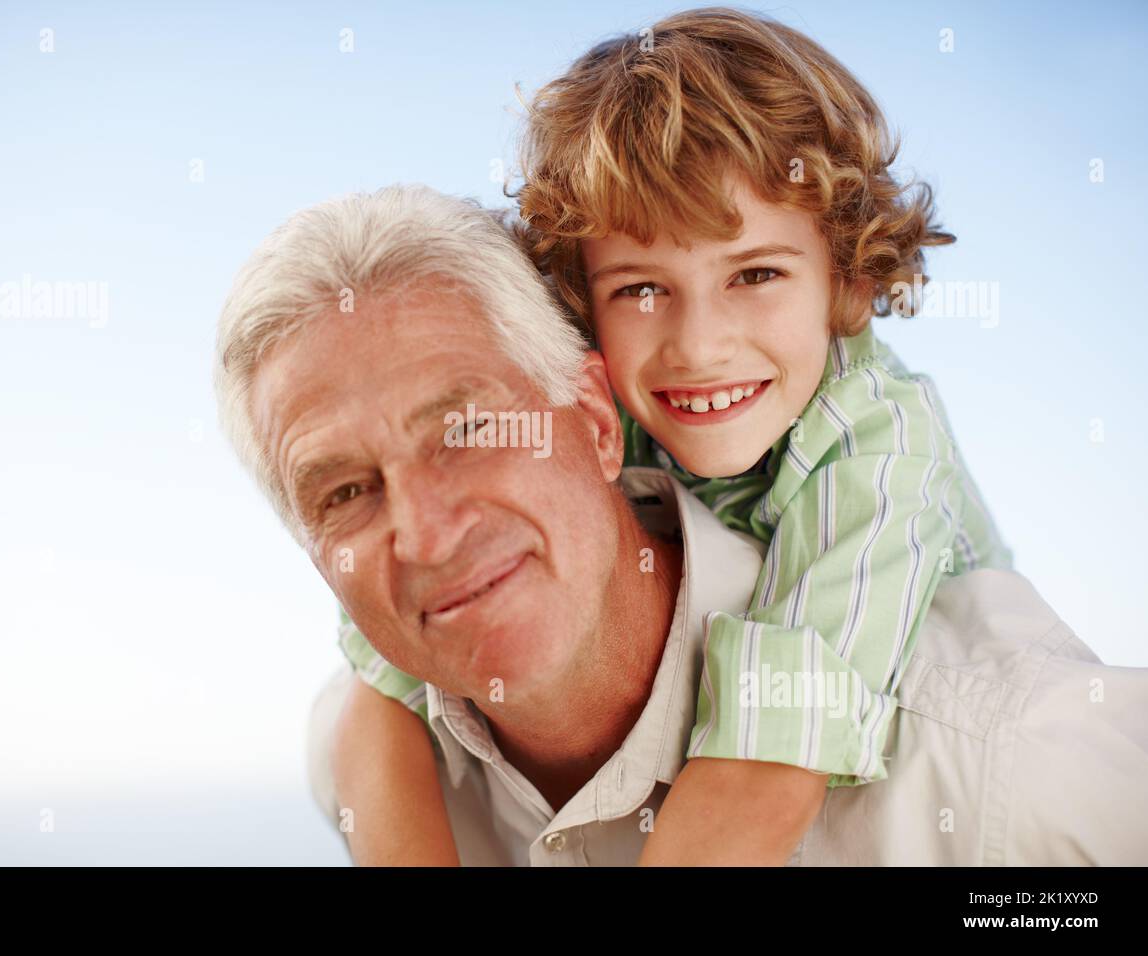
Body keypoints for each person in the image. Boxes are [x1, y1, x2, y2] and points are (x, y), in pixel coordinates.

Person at [214, 183, 1148, 866]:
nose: (423, 533)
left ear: (592, 419)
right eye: (343, 492)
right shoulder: (354, 755)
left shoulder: (1017, 764)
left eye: (469, 430)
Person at [330, 7, 1012, 863]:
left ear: (848, 276)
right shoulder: (596, 405)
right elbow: (379, 689)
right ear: (579, 306)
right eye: (641, 289)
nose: (697, 346)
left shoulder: (878, 444)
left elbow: (769, 755)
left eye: (756, 274)